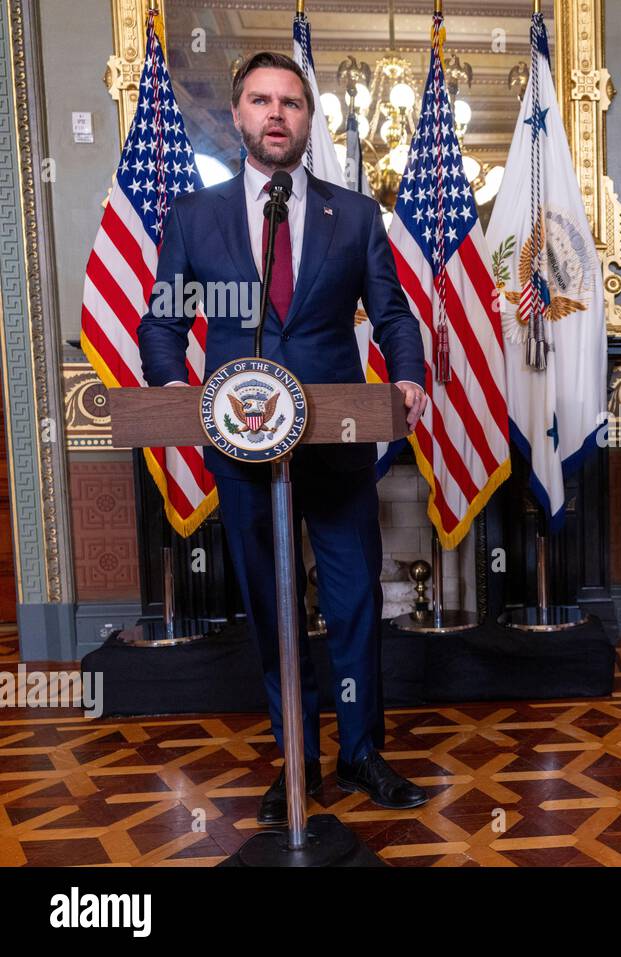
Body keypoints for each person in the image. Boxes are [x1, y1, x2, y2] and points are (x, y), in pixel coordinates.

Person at [139, 52, 431, 824]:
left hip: (337, 439)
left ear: (308, 119)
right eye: (261, 101)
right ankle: (296, 758)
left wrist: (406, 375)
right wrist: (172, 387)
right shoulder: (194, 218)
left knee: (355, 598)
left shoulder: (356, 215)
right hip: (240, 443)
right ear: (236, 114)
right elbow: (163, 322)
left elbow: (394, 314)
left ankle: (362, 751)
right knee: (273, 608)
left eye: (292, 103)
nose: (277, 114)